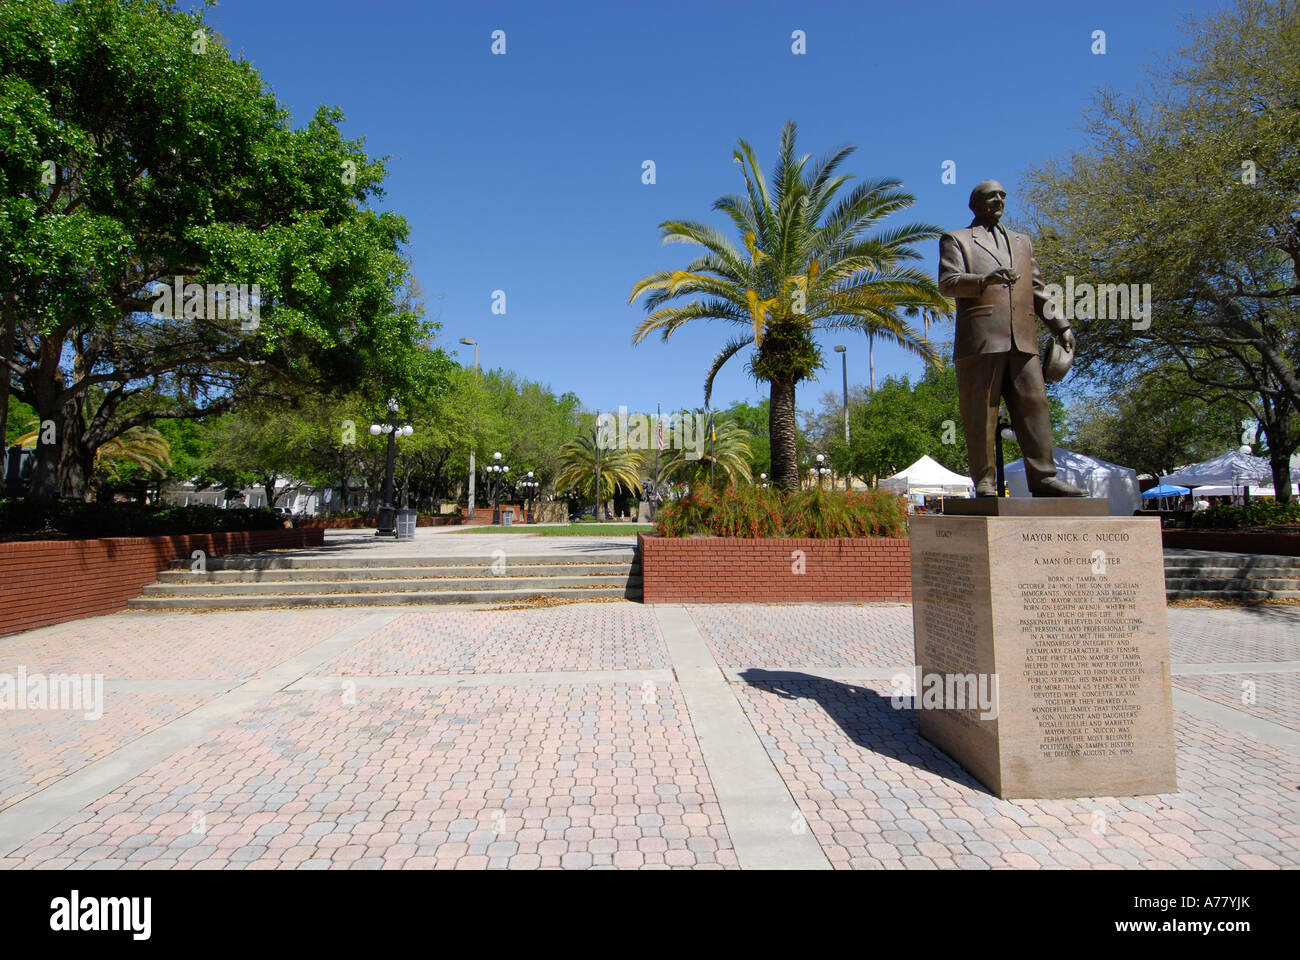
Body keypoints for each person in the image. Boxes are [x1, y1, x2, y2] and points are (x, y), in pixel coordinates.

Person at [939, 180, 1086, 497]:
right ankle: (985, 480)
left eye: (1003, 195)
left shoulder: (1022, 242)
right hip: (980, 340)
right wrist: (982, 280)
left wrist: (1061, 327)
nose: (999, 200)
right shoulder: (958, 239)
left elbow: (1037, 289)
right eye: (992, 196)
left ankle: (1044, 477)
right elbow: (948, 283)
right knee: (981, 412)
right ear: (974, 204)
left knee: (1035, 405)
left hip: (1023, 338)